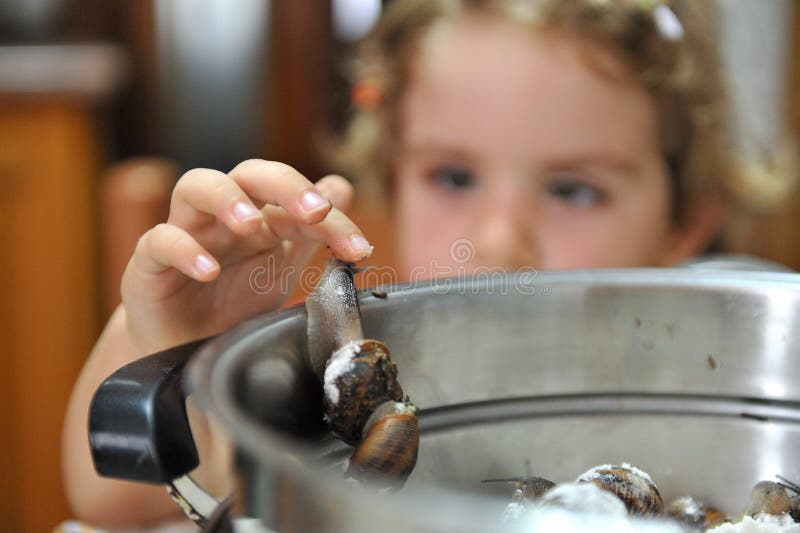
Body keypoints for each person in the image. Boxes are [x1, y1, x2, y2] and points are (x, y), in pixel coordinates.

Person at [61, 0, 782, 528]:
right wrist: (172, 350)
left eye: (572, 189)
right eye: (454, 177)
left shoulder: (735, 358)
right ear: (391, 178)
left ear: (687, 223)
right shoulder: (370, 371)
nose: (499, 240)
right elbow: (116, 499)